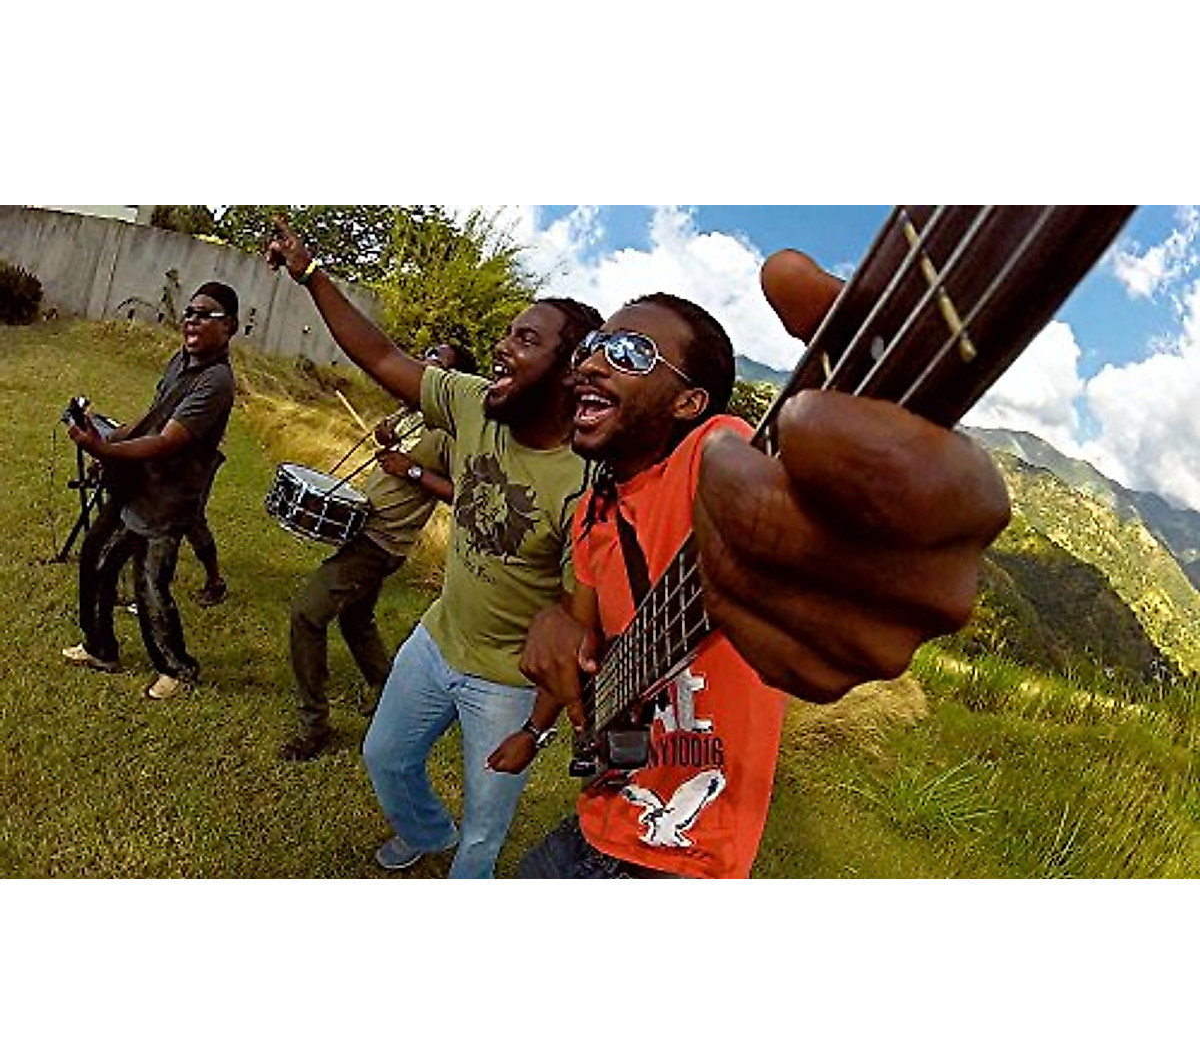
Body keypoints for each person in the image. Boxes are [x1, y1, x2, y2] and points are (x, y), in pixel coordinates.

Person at [498, 255, 1011, 878]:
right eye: (593, 347)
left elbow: (754, 472)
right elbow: (580, 635)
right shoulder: (591, 510)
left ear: (689, 402)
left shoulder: (710, 455)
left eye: (629, 352)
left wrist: (848, 529)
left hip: (685, 857)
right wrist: (550, 646)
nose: (592, 363)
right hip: (597, 815)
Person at [266, 217, 602, 877]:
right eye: (508, 332)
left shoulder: (584, 484)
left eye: (526, 339)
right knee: (384, 757)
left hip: (507, 683)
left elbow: (573, 627)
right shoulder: (474, 403)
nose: (503, 347)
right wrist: (310, 274)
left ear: (569, 374)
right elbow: (382, 357)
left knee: (483, 833)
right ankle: (425, 829)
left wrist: (534, 729)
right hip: (437, 637)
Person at [281, 341, 476, 762]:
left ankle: (314, 725)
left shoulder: (450, 434)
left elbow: (467, 495)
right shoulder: (409, 412)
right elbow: (390, 445)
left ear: (453, 380)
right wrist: (385, 434)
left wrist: (414, 471)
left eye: (438, 361)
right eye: (426, 354)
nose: (425, 362)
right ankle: (387, 691)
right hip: (361, 529)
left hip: (381, 543)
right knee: (355, 618)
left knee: (307, 614)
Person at [62, 282, 238, 700]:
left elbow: (168, 441)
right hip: (138, 481)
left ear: (229, 326)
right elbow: (153, 419)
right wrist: (110, 440)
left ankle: (177, 670)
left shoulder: (216, 382)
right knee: (97, 558)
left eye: (204, 314)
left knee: (150, 584)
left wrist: (104, 449)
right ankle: (100, 648)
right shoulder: (181, 361)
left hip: (169, 498)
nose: (191, 320)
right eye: (189, 312)